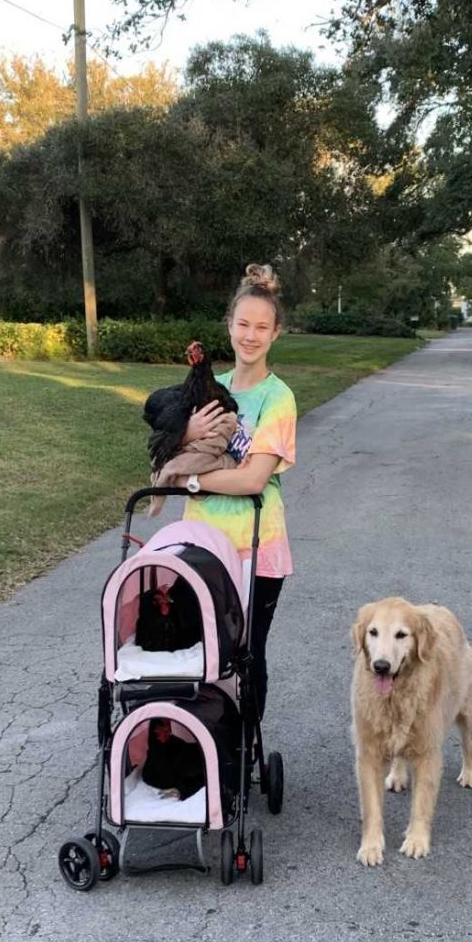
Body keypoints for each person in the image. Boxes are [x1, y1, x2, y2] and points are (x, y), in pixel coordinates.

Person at [178, 263, 296, 720]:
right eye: (243, 324)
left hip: (255, 545)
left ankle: (244, 749)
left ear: (275, 333)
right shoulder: (210, 388)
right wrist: (186, 432)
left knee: (246, 651)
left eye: (261, 327)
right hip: (201, 541)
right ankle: (205, 739)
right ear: (229, 326)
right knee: (197, 644)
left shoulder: (277, 398)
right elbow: (177, 445)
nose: (250, 336)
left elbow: (252, 480)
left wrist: (191, 482)